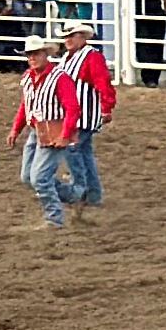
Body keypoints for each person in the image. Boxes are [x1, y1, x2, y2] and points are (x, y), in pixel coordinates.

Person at [6, 36, 78, 231]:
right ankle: (73, 195)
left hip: (54, 130)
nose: (32, 58)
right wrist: (16, 128)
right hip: (36, 130)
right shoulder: (28, 79)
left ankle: (54, 219)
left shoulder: (60, 78)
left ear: (45, 54)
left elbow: (73, 109)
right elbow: (25, 106)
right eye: (29, 55)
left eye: (36, 54)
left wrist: (65, 134)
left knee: (38, 178)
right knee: (28, 177)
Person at [54, 25, 115, 216]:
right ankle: (92, 194)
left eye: (72, 36)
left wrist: (106, 107)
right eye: (67, 36)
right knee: (84, 153)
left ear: (82, 37)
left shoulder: (91, 57)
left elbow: (102, 83)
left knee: (73, 151)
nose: (68, 40)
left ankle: (79, 189)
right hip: (77, 114)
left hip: (82, 116)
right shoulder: (70, 57)